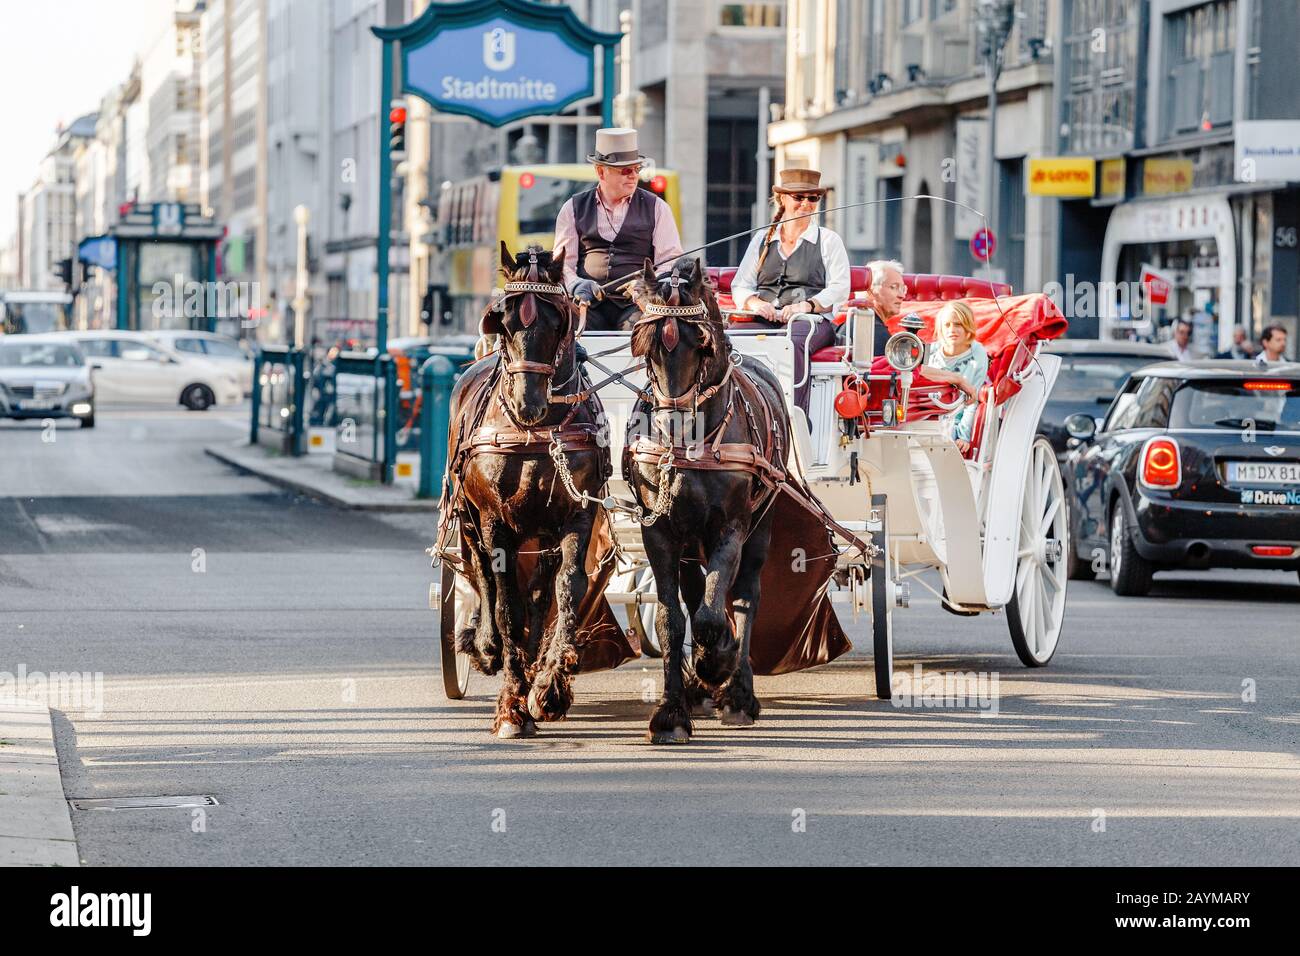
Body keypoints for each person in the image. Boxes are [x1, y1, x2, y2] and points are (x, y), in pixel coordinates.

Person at [730, 167, 851, 420]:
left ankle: (792, 417)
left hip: (810, 322)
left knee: (792, 343)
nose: (806, 204)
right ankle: (735, 412)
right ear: (782, 199)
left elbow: (840, 288)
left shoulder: (828, 241)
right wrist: (754, 303)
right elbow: (741, 285)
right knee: (728, 340)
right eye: (799, 198)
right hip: (763, 318)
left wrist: (805, 306)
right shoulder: (762, 240)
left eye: (812, 198)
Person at [552, 127, 684, 331]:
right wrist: (576, 284)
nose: (633, 176)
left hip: (637, 306)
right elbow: (561, 264)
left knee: (646, 332)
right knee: (561, 330)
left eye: (636, 169)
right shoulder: (572, 208)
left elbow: (670, 262)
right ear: (600, 171)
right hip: (587, 304)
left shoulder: (658, 207)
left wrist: (647, 286)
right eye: (625, 170)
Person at [919, 301, 987, 454]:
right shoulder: (930, 352)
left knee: (941, 437)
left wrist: (964, 436)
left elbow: (972, 400)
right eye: (947, 325)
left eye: (958, 324)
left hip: (954, 422)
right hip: (926, 417)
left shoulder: (977, 354)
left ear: (967, 327)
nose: (952, 330)